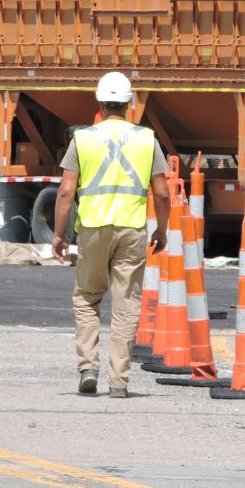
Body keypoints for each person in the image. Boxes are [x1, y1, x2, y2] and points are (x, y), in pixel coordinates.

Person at [52, 72, 171, 399]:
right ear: (129, 102)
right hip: (132, 229)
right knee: (126, 304)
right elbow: (162, 193)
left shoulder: (83, 139)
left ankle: (88, 368)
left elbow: (65, 192)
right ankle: (119, 381)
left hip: (92, 229)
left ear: (100, 103)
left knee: (87, 297)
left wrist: (59, 235)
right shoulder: (148, 139)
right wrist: (162, 228)